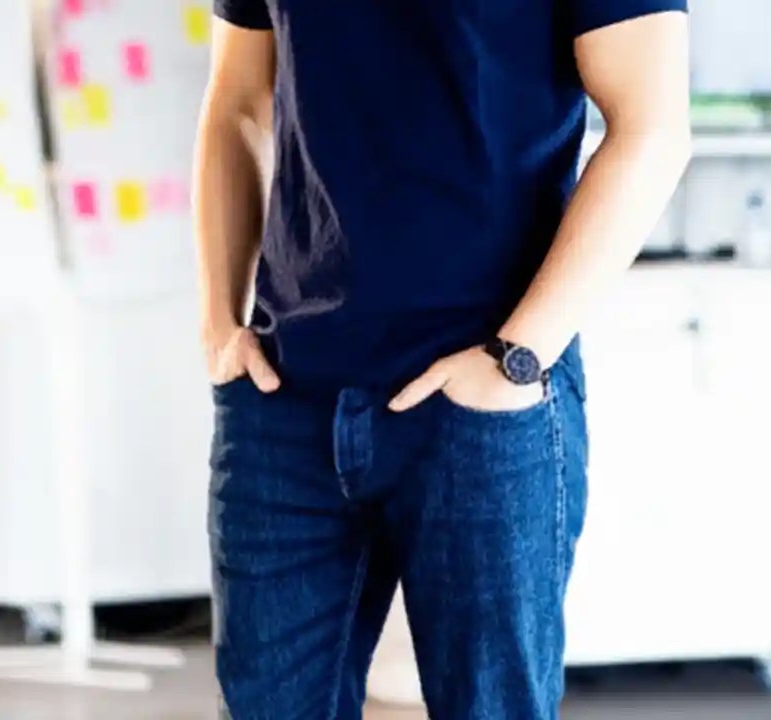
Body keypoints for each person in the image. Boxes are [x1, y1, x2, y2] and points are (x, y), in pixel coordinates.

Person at [193, 0, 690, 715]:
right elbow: (238, 103)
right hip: (286, 397)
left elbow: (654, 129)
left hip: (482, 404)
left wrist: (516, 355)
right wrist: (218, 322)